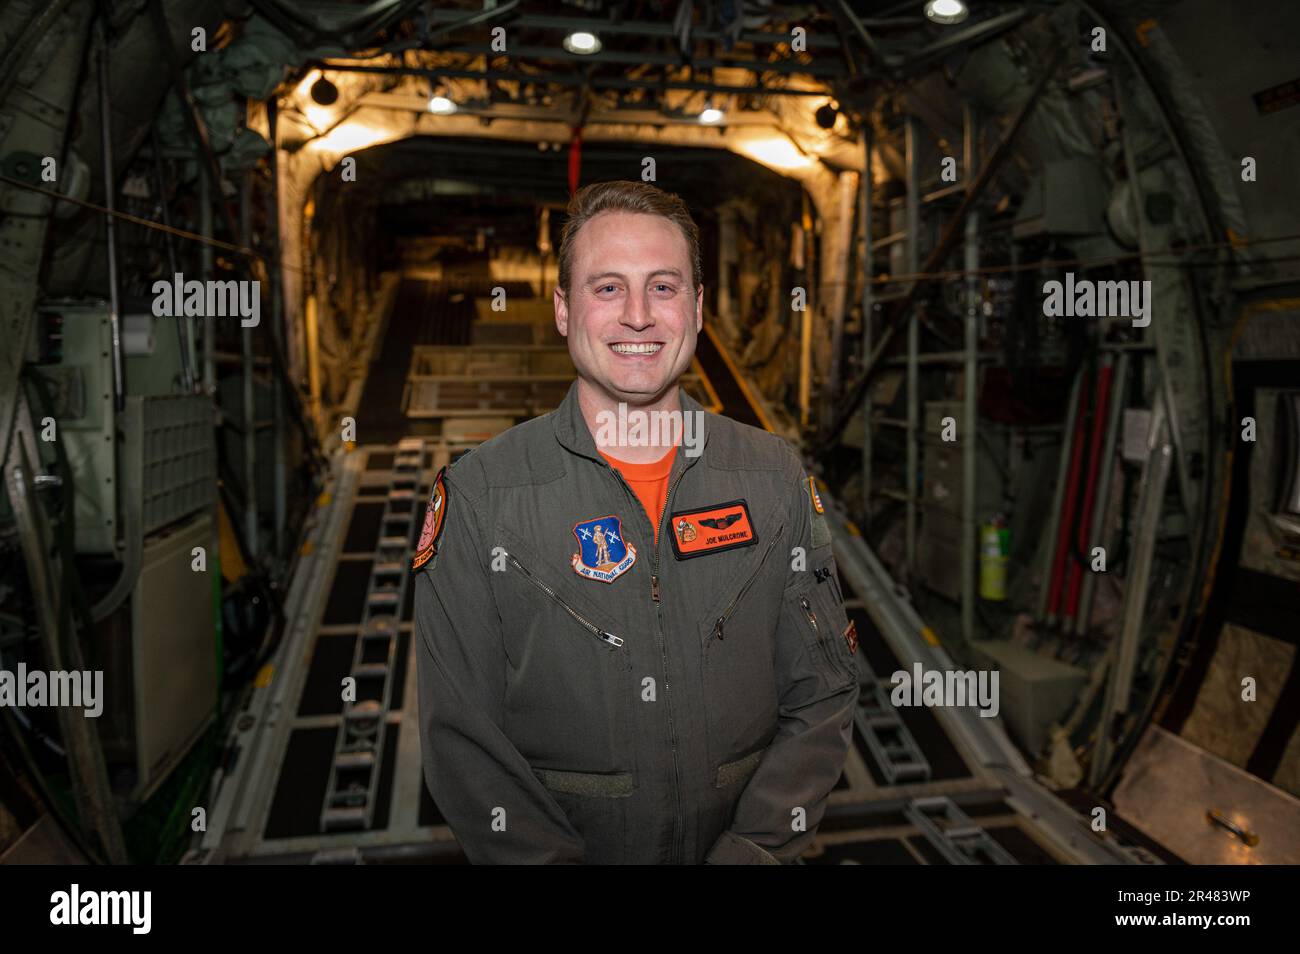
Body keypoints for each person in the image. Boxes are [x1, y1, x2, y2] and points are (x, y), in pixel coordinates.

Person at [412, 179, 860, 864]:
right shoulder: (480, 497)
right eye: (607, 288)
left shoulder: (773, 477)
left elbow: (823, 692)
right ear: (563, 310)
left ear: (698, 307)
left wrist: (756, 851)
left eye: (663, 287)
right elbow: (463, 744)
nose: (638, 316)